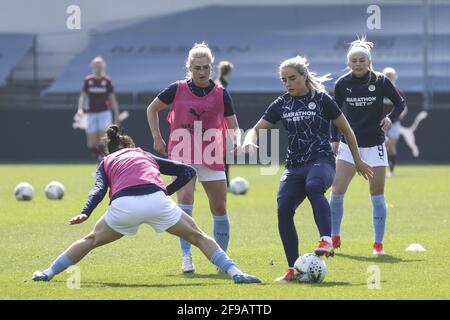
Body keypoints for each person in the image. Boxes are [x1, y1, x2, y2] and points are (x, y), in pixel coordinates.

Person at [32, 125, 261, 284]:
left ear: (110, 150)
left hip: (123, 207)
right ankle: (236, 273)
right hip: (157, 202)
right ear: (131, 146)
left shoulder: (107, 161)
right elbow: (188, 170)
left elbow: (98, 190)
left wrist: (85, 213)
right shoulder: (143, 154)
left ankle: (47, 273)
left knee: (90, 240)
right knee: (199, 237)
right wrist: (165, 192)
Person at [242, 56, 373, 281]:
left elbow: (347, 130)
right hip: (294, 165)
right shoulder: (281, 103)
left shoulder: (322, 100)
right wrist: (248, 140)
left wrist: (358, 160)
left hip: (321, 161)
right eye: (284, 80)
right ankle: (293, 269)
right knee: (283, 209)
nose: (288, 83)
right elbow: (255, 129)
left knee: (314, 186)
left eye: (292, 78)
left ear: (304, 76)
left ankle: (326, 239)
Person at [147, 43, 241, 273]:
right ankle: (186, 256)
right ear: (189, 67)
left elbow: (234, 125)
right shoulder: (177, 89)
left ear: (212, 68)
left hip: (212, 154)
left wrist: (235, 141)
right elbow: (152, 109)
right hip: (183, 154)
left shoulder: (221, 93)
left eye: (206, 67)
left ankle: (222, 260)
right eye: (197, 67)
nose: (202, 72)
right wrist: (157, 138)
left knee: (219, 207)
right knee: (185, 200)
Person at [329, 38, 406, 255]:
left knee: (377, 193)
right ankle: (334, 237)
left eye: (362, 60)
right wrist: (334, 138)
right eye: (354, 60)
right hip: (348, 145)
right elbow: (335, 113)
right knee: (337, 191)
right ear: (348, 63)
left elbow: (400, 103)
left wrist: (391, 117)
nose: (358, 63)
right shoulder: (342, 83)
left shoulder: (381, 81)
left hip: (374, 144)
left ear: (369, 61)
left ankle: (378, 244)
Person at [77, 56, 121, 164]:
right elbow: (83, 96)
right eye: (96, 64)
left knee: (103, 140)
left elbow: (112, 98)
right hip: (91, 113)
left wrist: (116, 114)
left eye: (100, 64)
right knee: (91, 144)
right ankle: (100, 160)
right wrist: (80, 109)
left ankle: (103, 165)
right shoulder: (88, 80)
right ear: (92, 66)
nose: (98, 67)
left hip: (104, 113)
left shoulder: (107, 81)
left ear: (103, 66)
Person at [382, 67, 408, 177]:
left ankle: (391, 170)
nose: (389, 78)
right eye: (387, 76)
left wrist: (398, 115)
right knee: (381, 145)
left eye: (391, 76)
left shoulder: (399, 91)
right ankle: (379, 169)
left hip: (394, 122)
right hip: (381, 122)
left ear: (395, 77)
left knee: (391, 145)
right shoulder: (379, 90)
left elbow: (403, 107)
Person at [215, 61, 234, 189]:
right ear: (229, 72)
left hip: (219, 126)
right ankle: (224, 184)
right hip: (218, 127)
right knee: (224, 156)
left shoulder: (219, 83)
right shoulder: (220, 86)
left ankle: (225, 183)